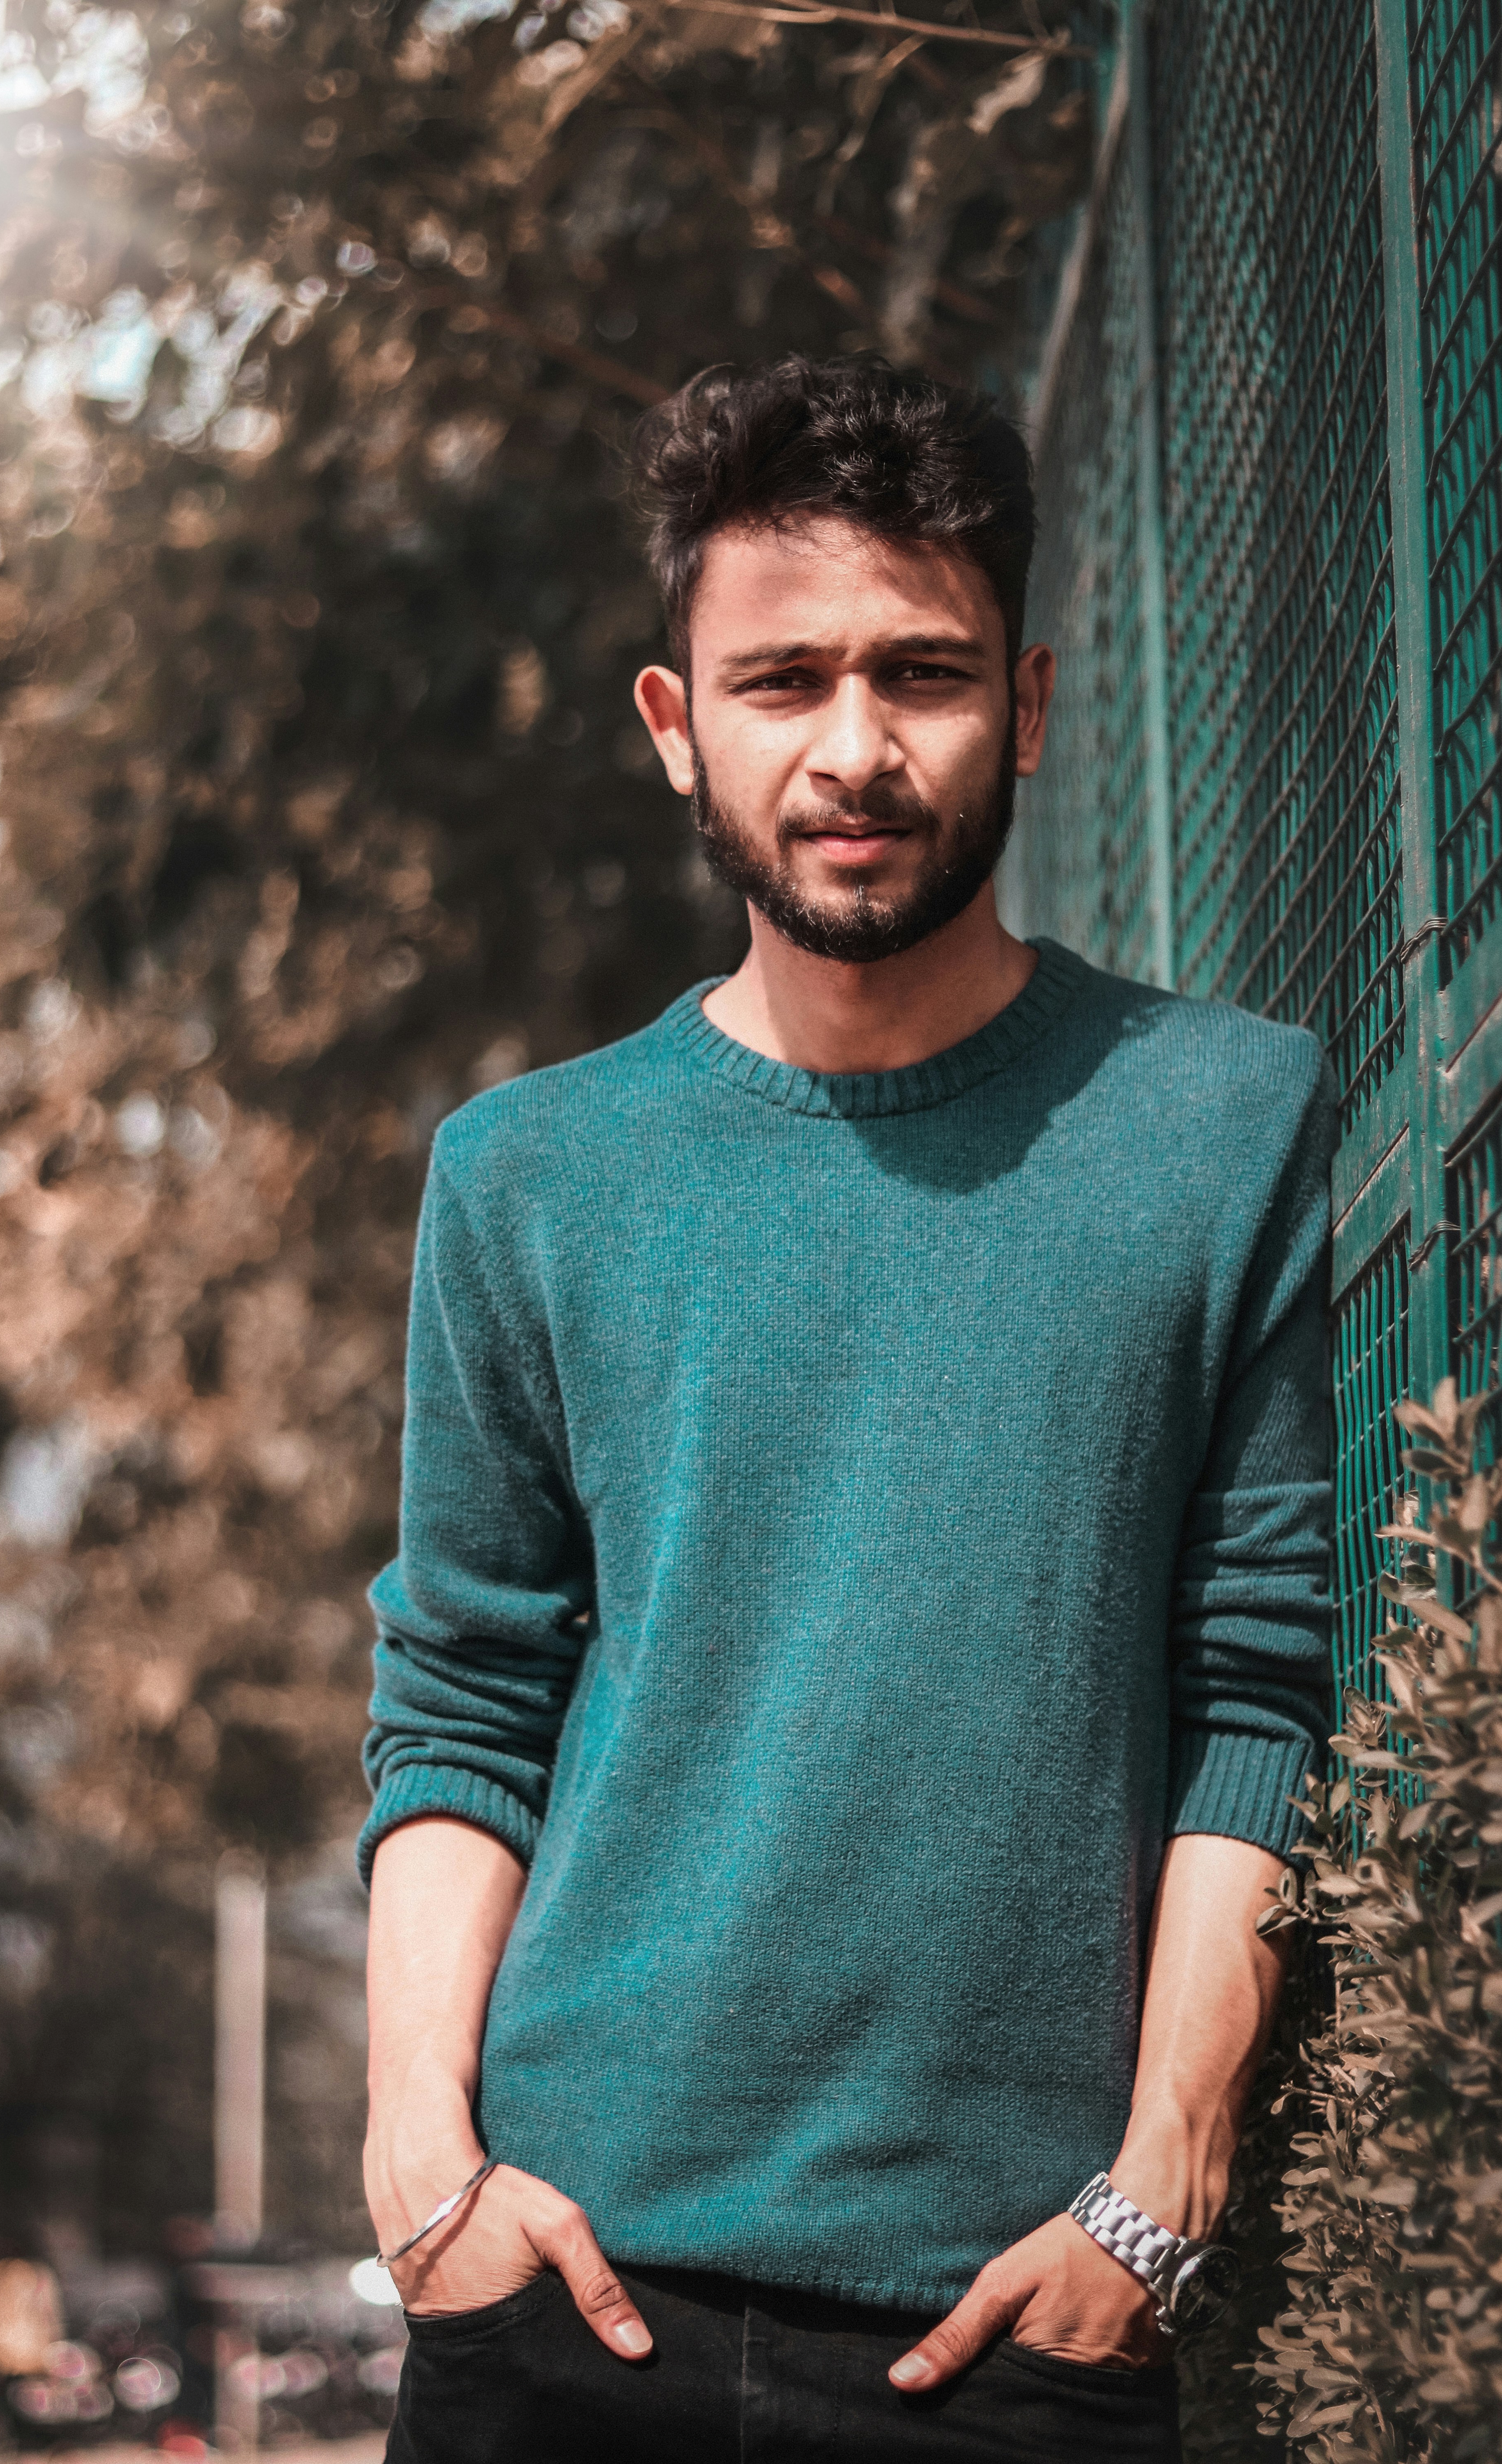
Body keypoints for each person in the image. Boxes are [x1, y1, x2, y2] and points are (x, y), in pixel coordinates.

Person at [359, 354, 1334, 2464]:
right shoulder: (527, 1177)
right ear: (676, 725)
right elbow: (460, 1702)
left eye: (926, 672)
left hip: (1021, 2333)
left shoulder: (1223, 1121)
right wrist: (424, 2167)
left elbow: (1259, 1695)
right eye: (783, 680)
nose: (858, 750)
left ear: (1036, 701)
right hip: (561, 2309)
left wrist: (1159, 2192)